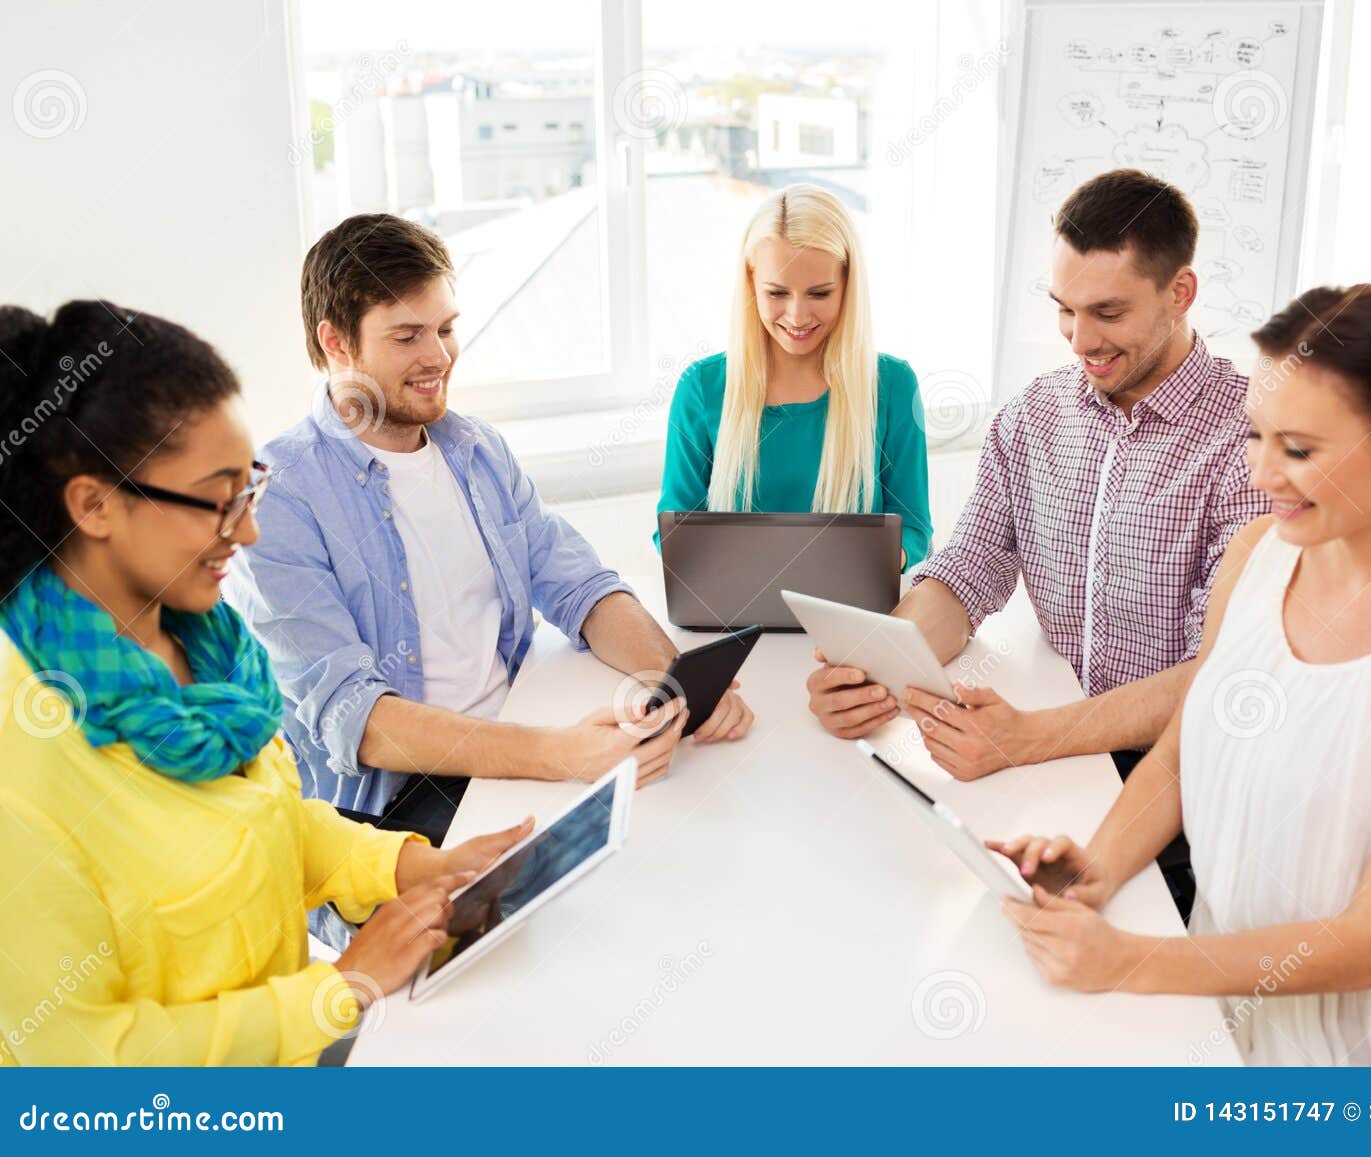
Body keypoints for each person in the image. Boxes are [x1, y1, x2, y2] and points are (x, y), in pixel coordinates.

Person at [990, 285, 1371, 1066]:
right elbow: (1184, 754)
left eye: (1300, 450)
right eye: (1254, 435)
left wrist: (1129, 960)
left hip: (1368, 1060)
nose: (1263, 472)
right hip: (1208, 1014)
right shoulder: (1257, 556)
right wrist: (1093, 870)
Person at [0, 302, 528, 1065]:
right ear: (94, 504)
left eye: (250, 487)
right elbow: (81, 1063)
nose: (247, 531)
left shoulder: (204, 646)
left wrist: (417, 865)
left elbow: (271, 823)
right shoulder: (24, 770)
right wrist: (340, 988)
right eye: (218, 500)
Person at [226, 214, 752, 847]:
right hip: (404, 805)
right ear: (336, 343)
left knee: (704, 835)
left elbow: (580, 586)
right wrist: (560, 755)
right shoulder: (279, 494)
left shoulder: (476, 451)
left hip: (526, 736)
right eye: (408, 336)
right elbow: (356, 718)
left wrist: (677, 685)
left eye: (447, 328)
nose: (440, 356)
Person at [805, 169, 1269, 782]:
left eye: (1108, 311)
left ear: (1180, 292)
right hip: (1053, 746)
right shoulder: (1031, 418)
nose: (1081, 340)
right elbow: (969, 569)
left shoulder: (1254, 443)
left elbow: (1217, 671)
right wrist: (876, 668)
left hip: (1182, 770)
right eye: (1065, 310)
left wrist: (1028, 738)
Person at [656, 183, 932, 570]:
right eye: (777, 294)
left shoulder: (893, 386)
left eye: (819, 294)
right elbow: (675, 531)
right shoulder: (701, 389)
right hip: (730, 619)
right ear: (751, 283)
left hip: (851, 619)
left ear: (848, 286)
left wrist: (869, 568)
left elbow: (915, 526)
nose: (798, 317)